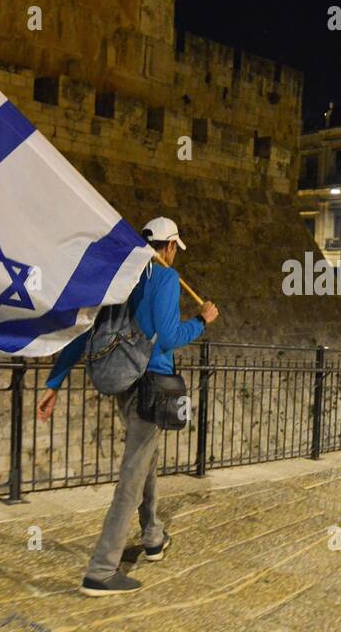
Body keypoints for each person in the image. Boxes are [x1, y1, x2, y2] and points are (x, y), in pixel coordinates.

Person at [37, 218, 218, 596]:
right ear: (169, 247)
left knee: (146, 459)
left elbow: (84, 330)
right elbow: (169, 336)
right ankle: (101, 571)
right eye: (173, 248)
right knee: (133, 476)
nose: (172, 255)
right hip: (152, 384)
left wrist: (56, 381)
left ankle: (152, 536)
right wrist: (201, 321)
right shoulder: (166, 279)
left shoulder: (120, 278)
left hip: (122, 382)